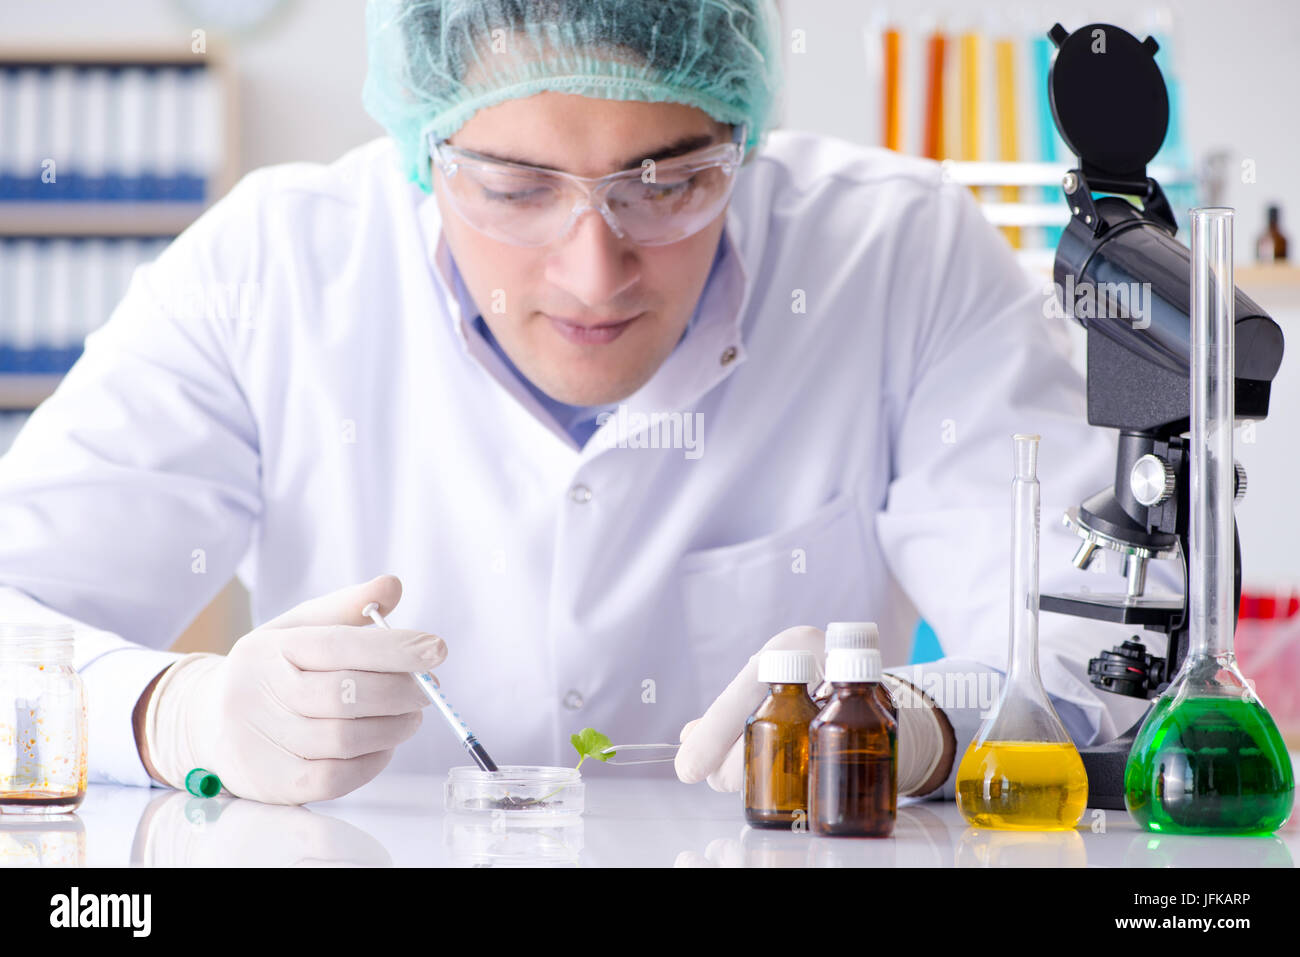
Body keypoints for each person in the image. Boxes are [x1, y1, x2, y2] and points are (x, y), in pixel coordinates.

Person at [0, 0, 1169, 806]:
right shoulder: (274, 264)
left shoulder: (895, 251)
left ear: (741, 136)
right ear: (423, 149)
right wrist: (176, 717)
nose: (592, 271)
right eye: (514, 188)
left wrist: (919, 724)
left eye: (670, 183)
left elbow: (1101, 645)